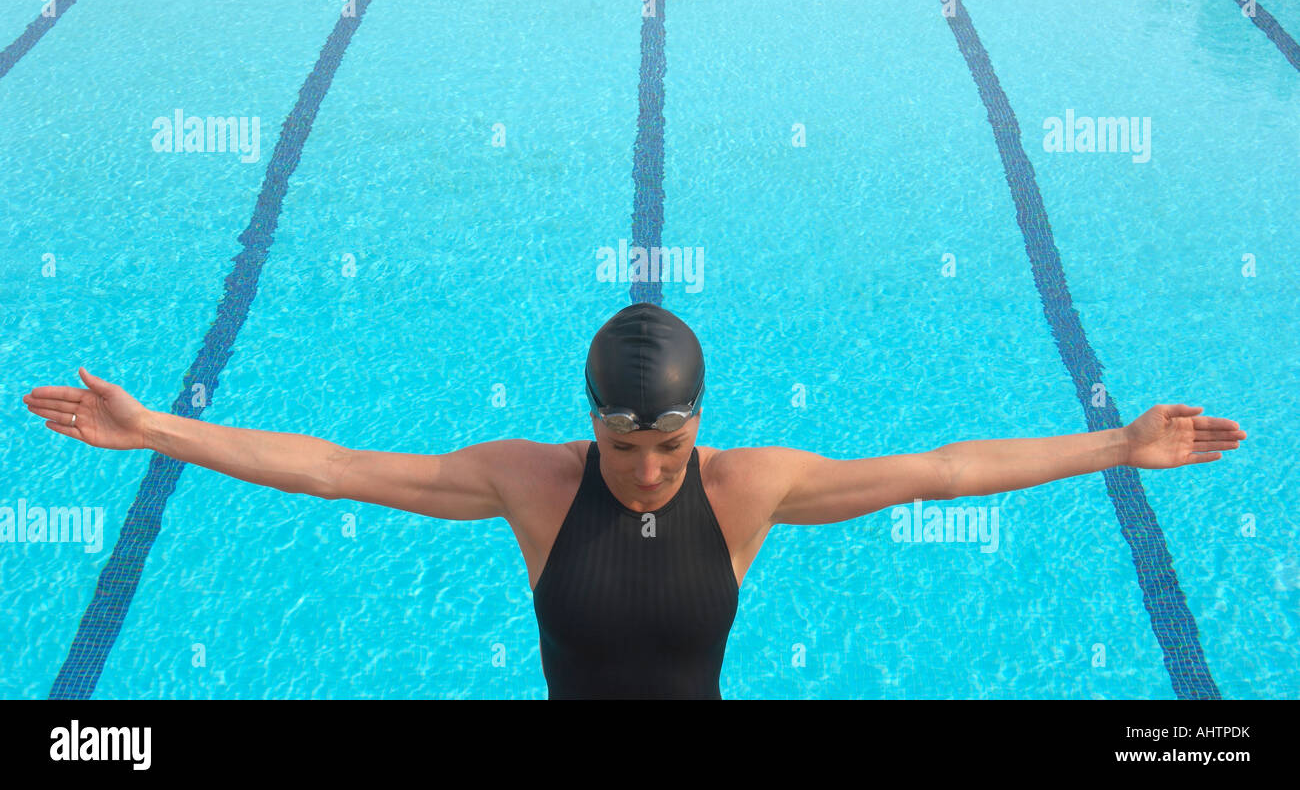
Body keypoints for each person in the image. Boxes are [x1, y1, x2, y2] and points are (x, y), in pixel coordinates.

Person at [22, 302, 1247, 699]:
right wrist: (154, 431)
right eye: (624, 445)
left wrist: (1114, 443)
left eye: (668, 447)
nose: (649, 471)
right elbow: (336, 465)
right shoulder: (533, 481)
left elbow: (940, 470)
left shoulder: (748, 488)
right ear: (590, 422)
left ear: (699, 427)